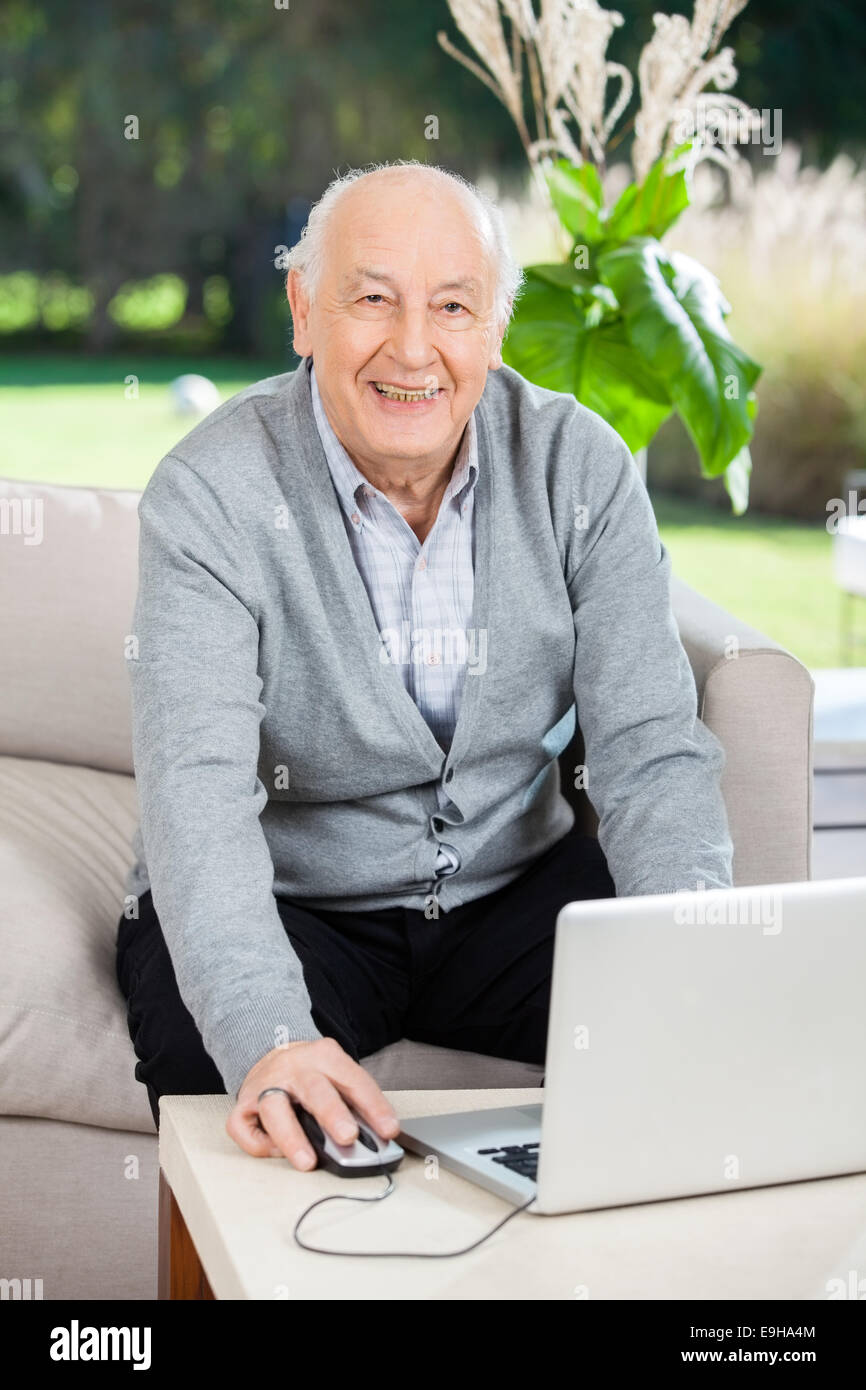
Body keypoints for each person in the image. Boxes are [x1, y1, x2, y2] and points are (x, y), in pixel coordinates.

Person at [116, 161, 733, 1170]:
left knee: (701, 1050)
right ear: (303, 310)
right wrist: (272, 1033)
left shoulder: (578, 465)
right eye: (371, 299)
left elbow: (649, 748)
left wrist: (692, 953)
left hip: (512, 893)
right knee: (234, 1082)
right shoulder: (210, 494)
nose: (412, 347)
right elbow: (197, 795)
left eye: (452, 306)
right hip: (294, 900)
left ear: (492, 330)